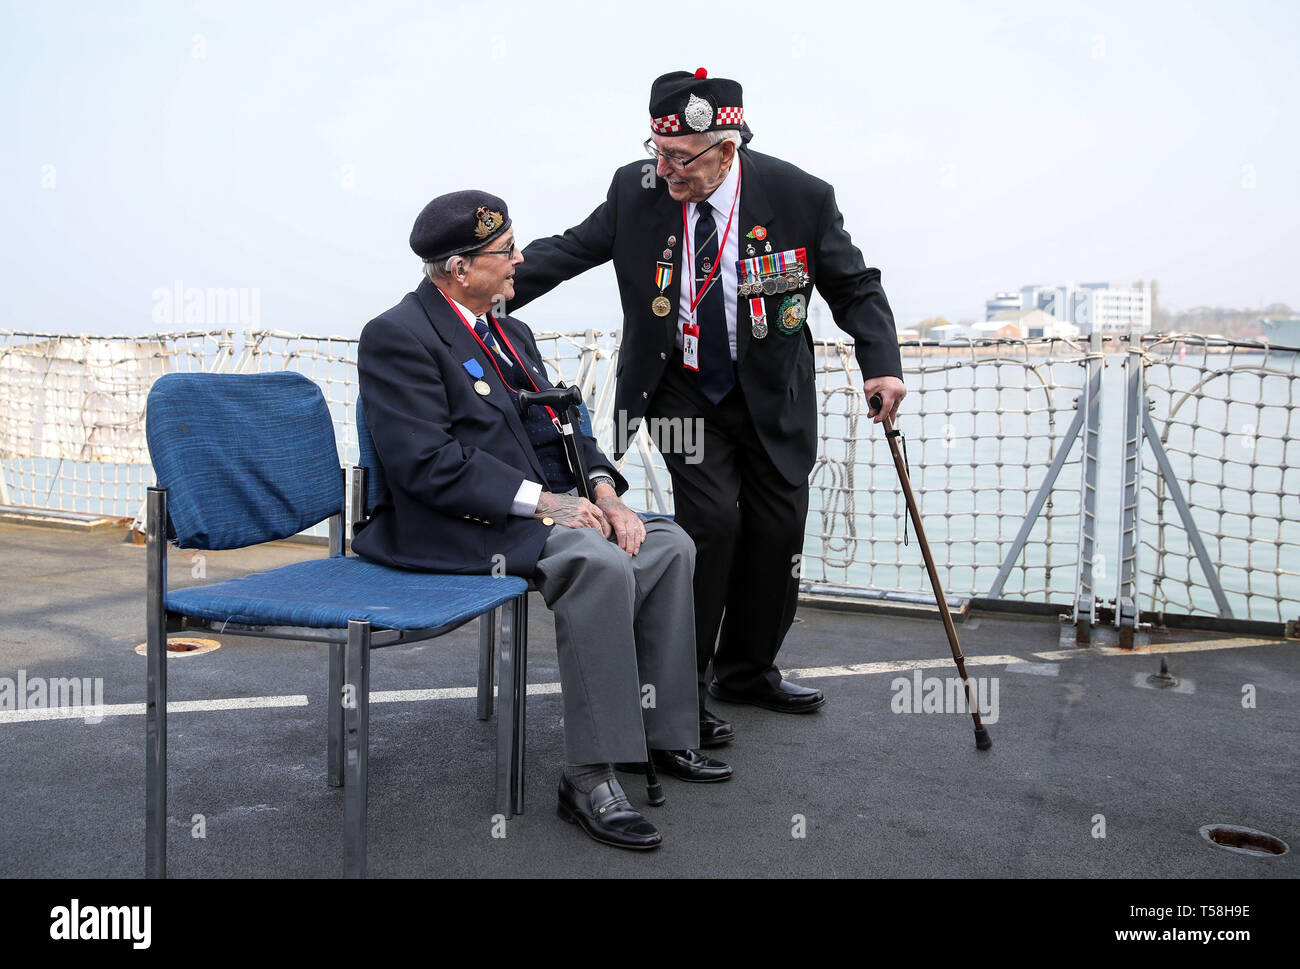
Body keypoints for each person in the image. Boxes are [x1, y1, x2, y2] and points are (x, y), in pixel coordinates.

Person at [509, 69, 907, 729]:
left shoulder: (798, 196)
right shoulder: (636, 191)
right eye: (656, 152)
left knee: (778, 533)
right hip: (679, 390)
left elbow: (855, 286)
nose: (663, 170)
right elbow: (567, 252)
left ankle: (747, 672)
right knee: (714, 524)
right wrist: (482, 292)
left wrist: (881, 364)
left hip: (770, 395)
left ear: (728, 150)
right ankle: (679, 692)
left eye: (680, 159)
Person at [352, 190, 731, 852]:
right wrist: (549, 504)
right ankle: (589, 775)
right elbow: (427, 464)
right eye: (504, 252)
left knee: (667, 542)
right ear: (459, 269)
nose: (519, 258)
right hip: (455, 523)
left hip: (538, 511)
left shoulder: (510, 331)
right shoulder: (398, 336)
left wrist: (607, 492)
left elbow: (562, 425)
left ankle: (663, 735)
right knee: (596, 560)